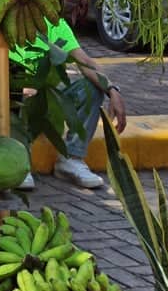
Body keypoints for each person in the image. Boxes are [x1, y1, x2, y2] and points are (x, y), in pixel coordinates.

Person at [13, 17, 128, 191]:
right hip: (13, 100)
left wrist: (112, 89)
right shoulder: (5, 20)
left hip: (47, 99)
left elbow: (85, 62)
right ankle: (19, 162)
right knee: (14, 93)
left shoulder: (52, 22)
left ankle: (71, 158)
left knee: (92, 88)